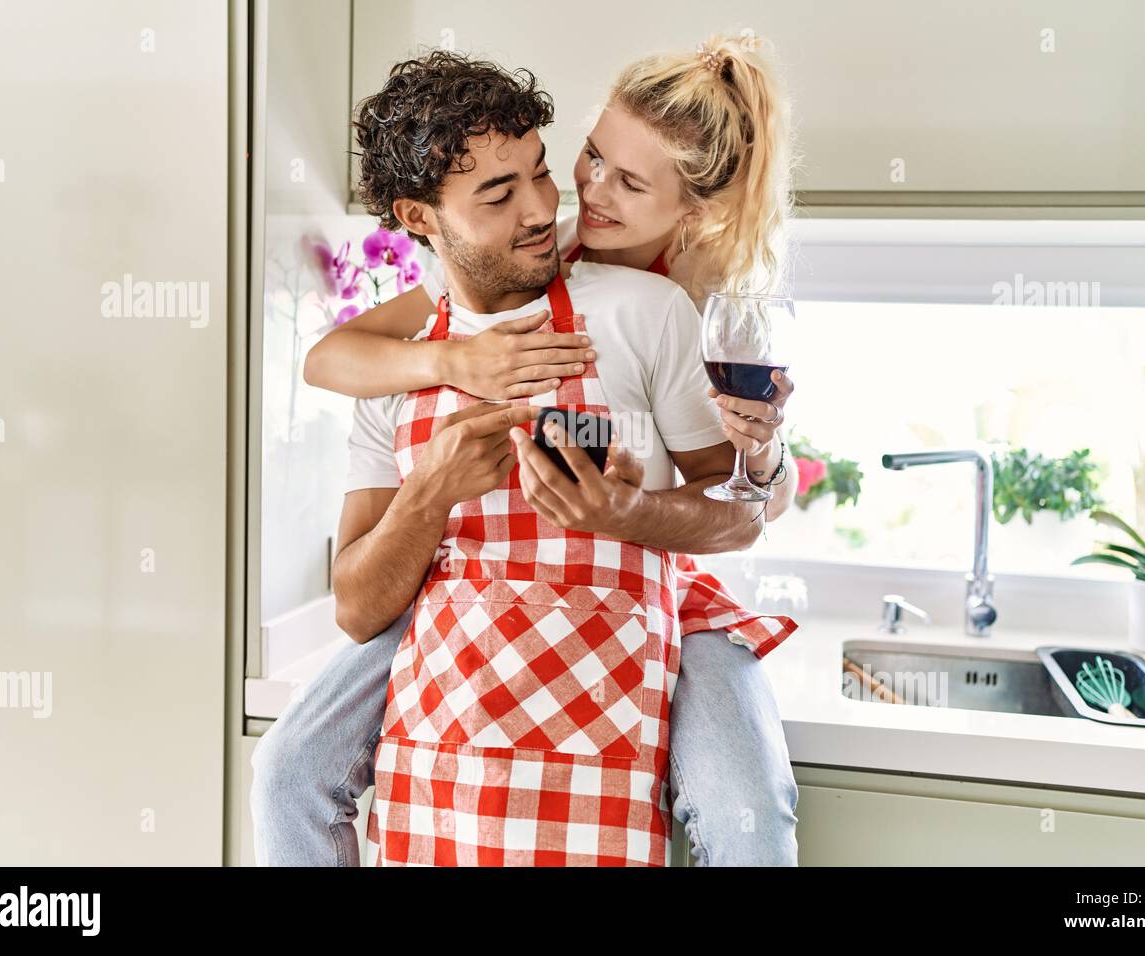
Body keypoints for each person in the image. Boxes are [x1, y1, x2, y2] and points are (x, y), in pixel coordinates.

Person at [252, 42, 800, 866]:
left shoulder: (687, 312)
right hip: (466, 598)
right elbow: (330, 361)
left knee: (744, 806)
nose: (577, 196)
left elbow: (738, 503)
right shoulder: (510, 260)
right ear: (423, 218)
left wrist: (718, 473)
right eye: (590, 160)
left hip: (656, 578)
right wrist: (451, 366)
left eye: (629, 183)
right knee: (287, 771)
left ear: (690, 212)